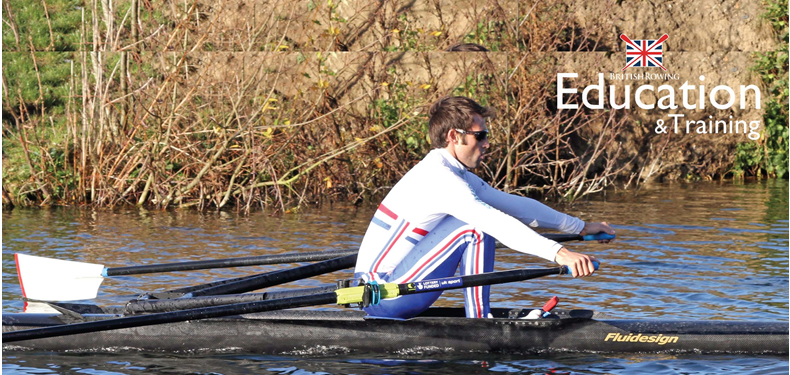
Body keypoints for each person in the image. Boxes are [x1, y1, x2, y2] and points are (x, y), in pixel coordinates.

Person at [354, 96, 614, 319]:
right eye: (480, 136)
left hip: (392, 286)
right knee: (476, 226)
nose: (487, 143)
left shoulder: (453, 173)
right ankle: (480, 321)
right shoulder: (439, 179)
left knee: (482, 219)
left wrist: (580, 227)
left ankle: (477, 317)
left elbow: (517, 206)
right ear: (454, 136)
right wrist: (561, 254)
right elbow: (495, 222)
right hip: (381, 294)